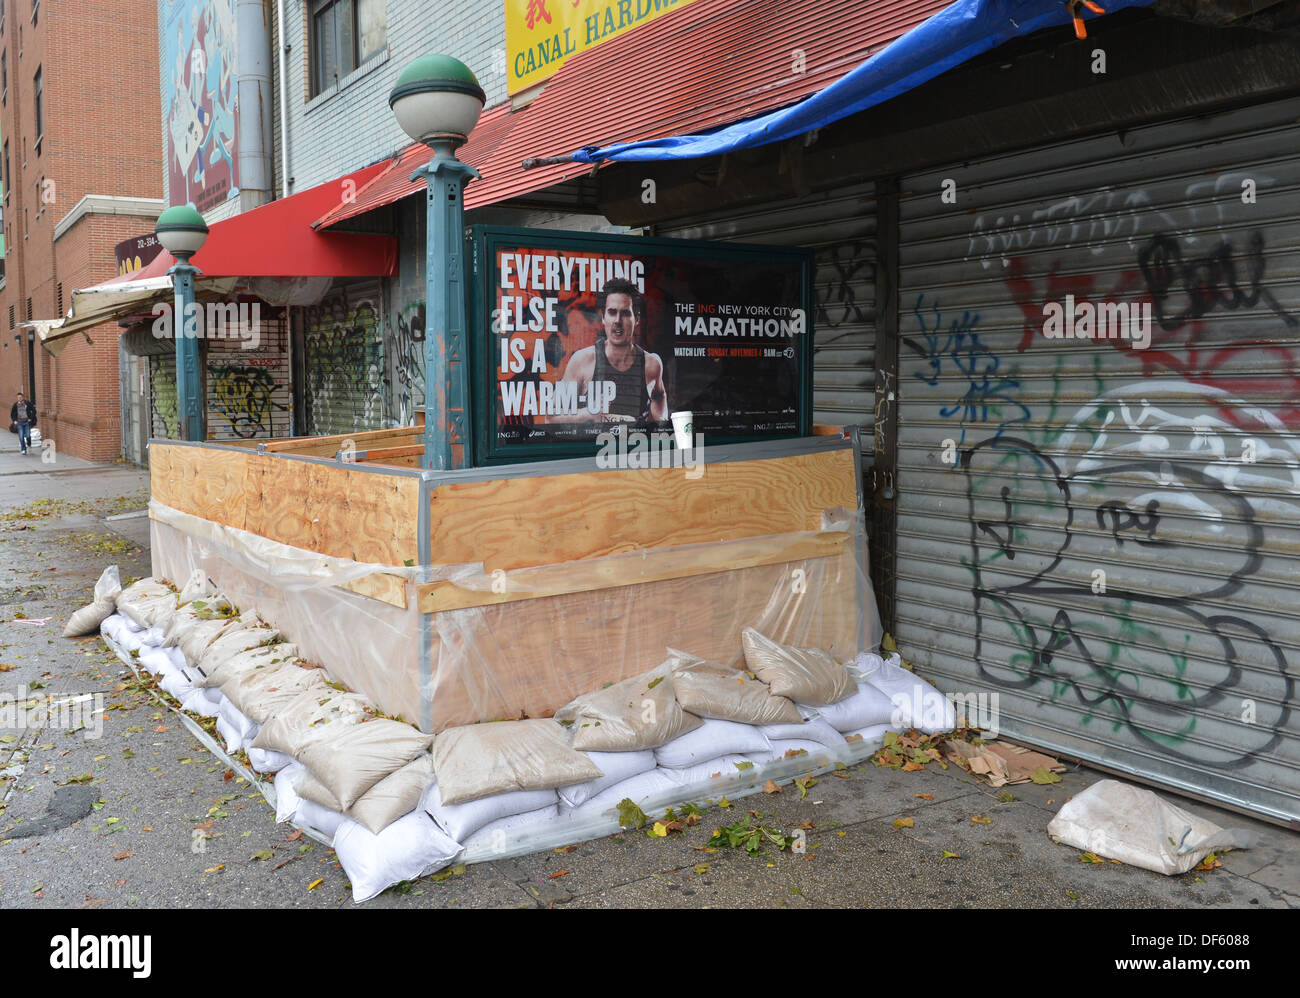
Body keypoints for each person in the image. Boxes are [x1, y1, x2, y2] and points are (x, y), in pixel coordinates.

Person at [559, 278, 668, 423]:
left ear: (636, 319)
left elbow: (659, 396)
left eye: (625, 313)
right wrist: (591, 415)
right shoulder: (583, 361)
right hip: (593, 445)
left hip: (635, 444)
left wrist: (661, 423)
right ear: (603, 317)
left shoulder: (652, 364)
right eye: (612, 312)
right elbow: (551, 417)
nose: (618, 320)